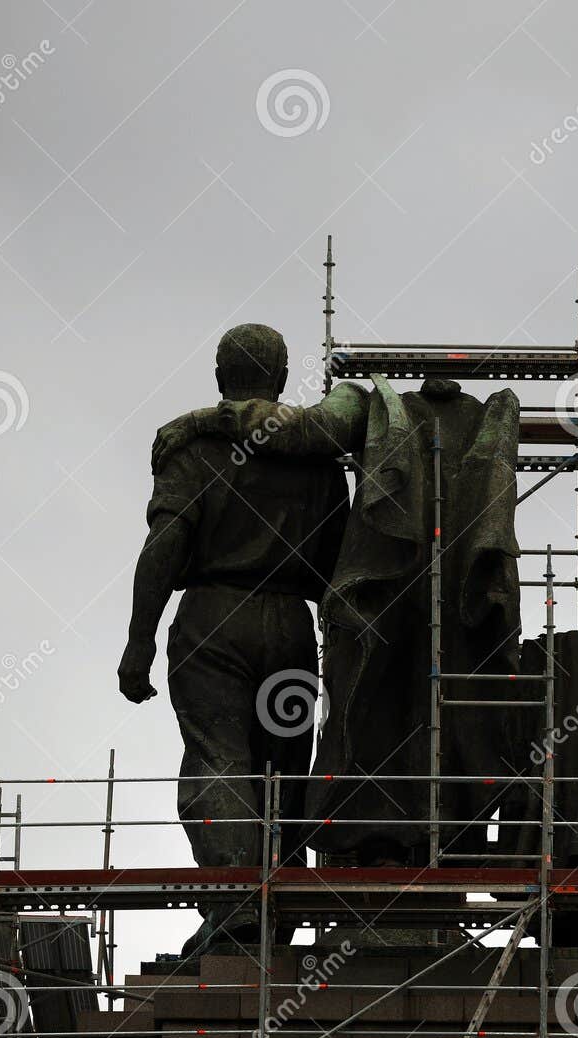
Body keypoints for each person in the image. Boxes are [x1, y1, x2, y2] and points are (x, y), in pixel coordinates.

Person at [119, 323, 348, 956]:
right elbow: (338, 566)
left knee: (219, 760)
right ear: (277, 378)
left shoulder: (196, 450)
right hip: (294, 629)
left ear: (222, 378)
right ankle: (270, 913)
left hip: (215, 619)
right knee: (282, 773)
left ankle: (239, 908)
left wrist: (140, 639)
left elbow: (164, 544)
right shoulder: (316, 458)